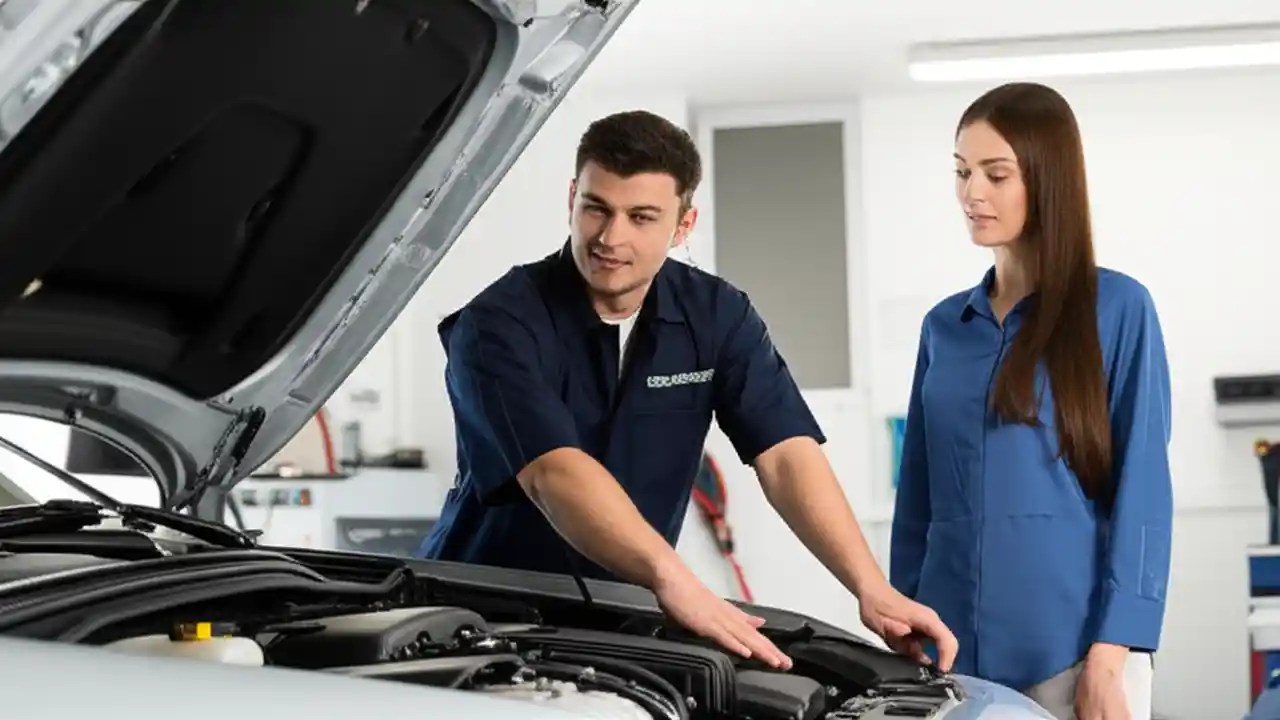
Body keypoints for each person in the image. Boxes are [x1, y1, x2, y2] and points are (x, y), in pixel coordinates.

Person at [419, 109, 958, 672]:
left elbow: (785, 454)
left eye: (641, 217)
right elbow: (555, 474)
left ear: (683, 224)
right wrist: (675, 579)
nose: (610, 237)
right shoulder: (498, 323)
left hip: (621, 616)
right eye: (596, 208)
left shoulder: (716, 315)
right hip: (480, 616)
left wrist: (870, 588)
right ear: (572, 198)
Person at [889, 82, 1172, 719]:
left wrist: (1110, 657)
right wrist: (902, 619)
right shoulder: (943, 328)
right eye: (962, 173)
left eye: (996, 174)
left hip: (1077, 658)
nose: (971, 194)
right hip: (952, 661)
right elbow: (918, 499)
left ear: (1046, 180)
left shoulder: (1119, 310)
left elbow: (1144, 494)